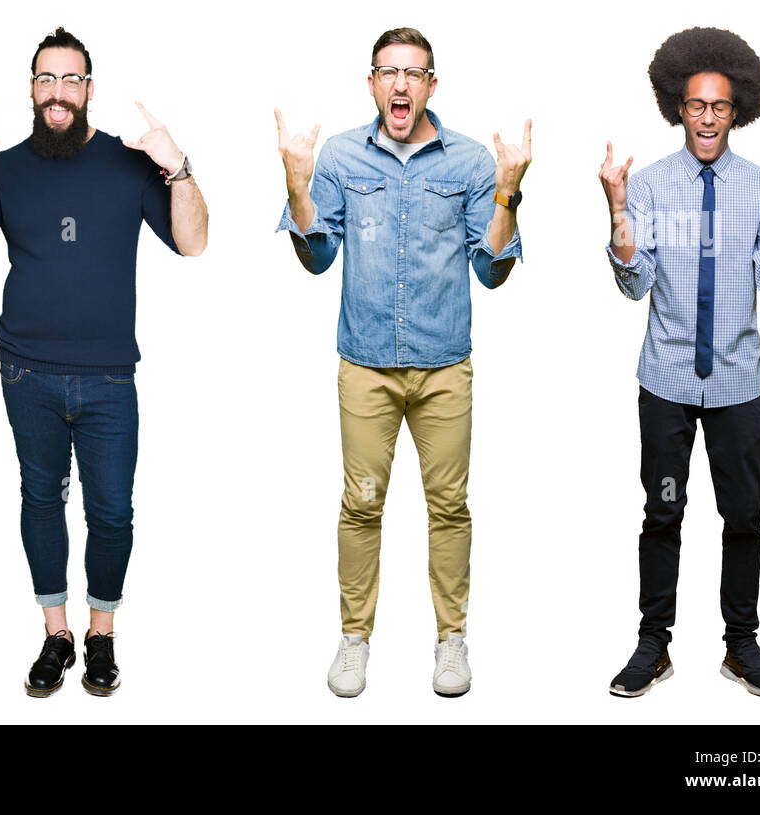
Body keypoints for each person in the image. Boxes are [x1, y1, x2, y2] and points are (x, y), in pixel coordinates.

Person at [0, 27, 207, 698]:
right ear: (32, 88)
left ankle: (101, 634)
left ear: (89, 89)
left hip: (112, 376)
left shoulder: (128, 162)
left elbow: (194, 242)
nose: (59, 92)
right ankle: (56, 632)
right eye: (47, 79)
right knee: (41, 497)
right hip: (27, 372)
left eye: (72, 80)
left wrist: (178, 166)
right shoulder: (5, 171)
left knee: (113, 511)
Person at [274, 27, 530, 698]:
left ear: (431, 86)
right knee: (361, 504)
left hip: (445, 365)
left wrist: (507, 191)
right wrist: (297, 187)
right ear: (371, 83)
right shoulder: (337, 157)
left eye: (413, 73)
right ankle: (354, 638)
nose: (400, 84)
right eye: (388, 71)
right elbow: (316, 256)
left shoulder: (473, 162)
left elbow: (494, 271)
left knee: (449, 505)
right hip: (365, 365)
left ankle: (452, 638)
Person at [601, 27, 760, 699]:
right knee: (663, 512)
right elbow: (634, 280)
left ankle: (741, 643)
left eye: (720, 106)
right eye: (696, 104)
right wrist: (616, 206)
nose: (706, 117)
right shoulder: (645, 186)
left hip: (737, 386)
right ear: (678, 106)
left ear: (739, 111)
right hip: (666, 384)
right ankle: (654, 643)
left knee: (744, 516)